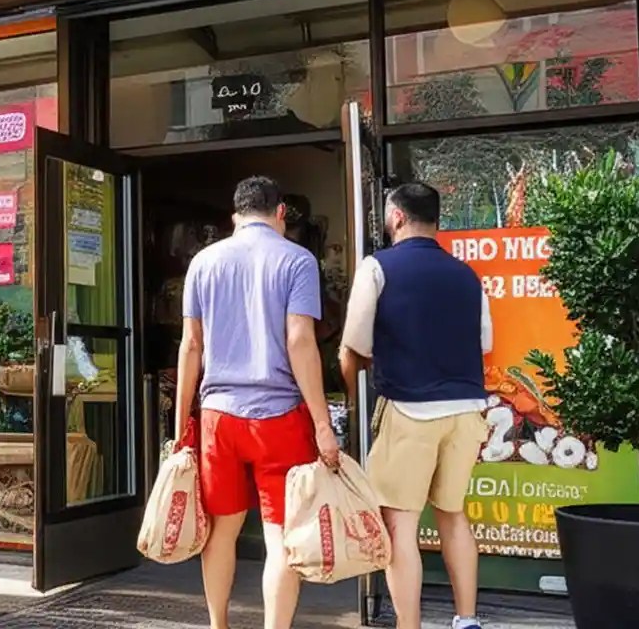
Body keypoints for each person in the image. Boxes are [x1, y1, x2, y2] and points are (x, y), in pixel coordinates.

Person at [175, 176, 340, 629]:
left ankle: (218, 624)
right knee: (280, 537)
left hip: (218, 417)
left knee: (220, 532)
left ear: (234, 216)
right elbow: (301, 340)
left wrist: (179, 425)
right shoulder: (298, 261)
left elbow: (191, 345)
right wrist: (323, 424)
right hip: (280, 418)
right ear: (281, 212)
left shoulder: (203, 263)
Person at [339, 182, 489, 629]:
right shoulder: (467, 274)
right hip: (466, 410)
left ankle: (410, 626)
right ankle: (467, 619)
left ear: (397, 217)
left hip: (409, 407)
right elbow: (485, 341)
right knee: (453, 513)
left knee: (400, 525)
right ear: (436, 220)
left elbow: (354, 345)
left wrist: (351, 399)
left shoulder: (376, 267)